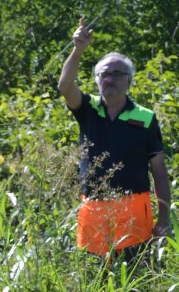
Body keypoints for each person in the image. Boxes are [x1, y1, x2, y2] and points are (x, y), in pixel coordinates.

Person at [57, 17, 172, 261]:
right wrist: (78, 50)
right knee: (93, 276)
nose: (109, 79)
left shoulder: (145, 118)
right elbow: (65, 87)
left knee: (135, 274)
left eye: (117, 74)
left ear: (129, 80)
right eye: (104, 74)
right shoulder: (87, 108)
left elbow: (160, 173)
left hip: (134, 214)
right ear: (97, 80)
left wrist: (164, 220)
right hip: (93, 211)